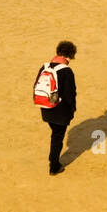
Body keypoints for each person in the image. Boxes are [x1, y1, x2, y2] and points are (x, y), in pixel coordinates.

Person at [36, 41, 77, 176]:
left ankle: (52, 157)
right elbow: (70, 95)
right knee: (57, 137)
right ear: (70, 55)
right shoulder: (67, 71)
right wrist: (71, 111)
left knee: (55, 134)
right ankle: (54, 166)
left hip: (45, 107)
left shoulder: (44, 67)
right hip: (60, 111)